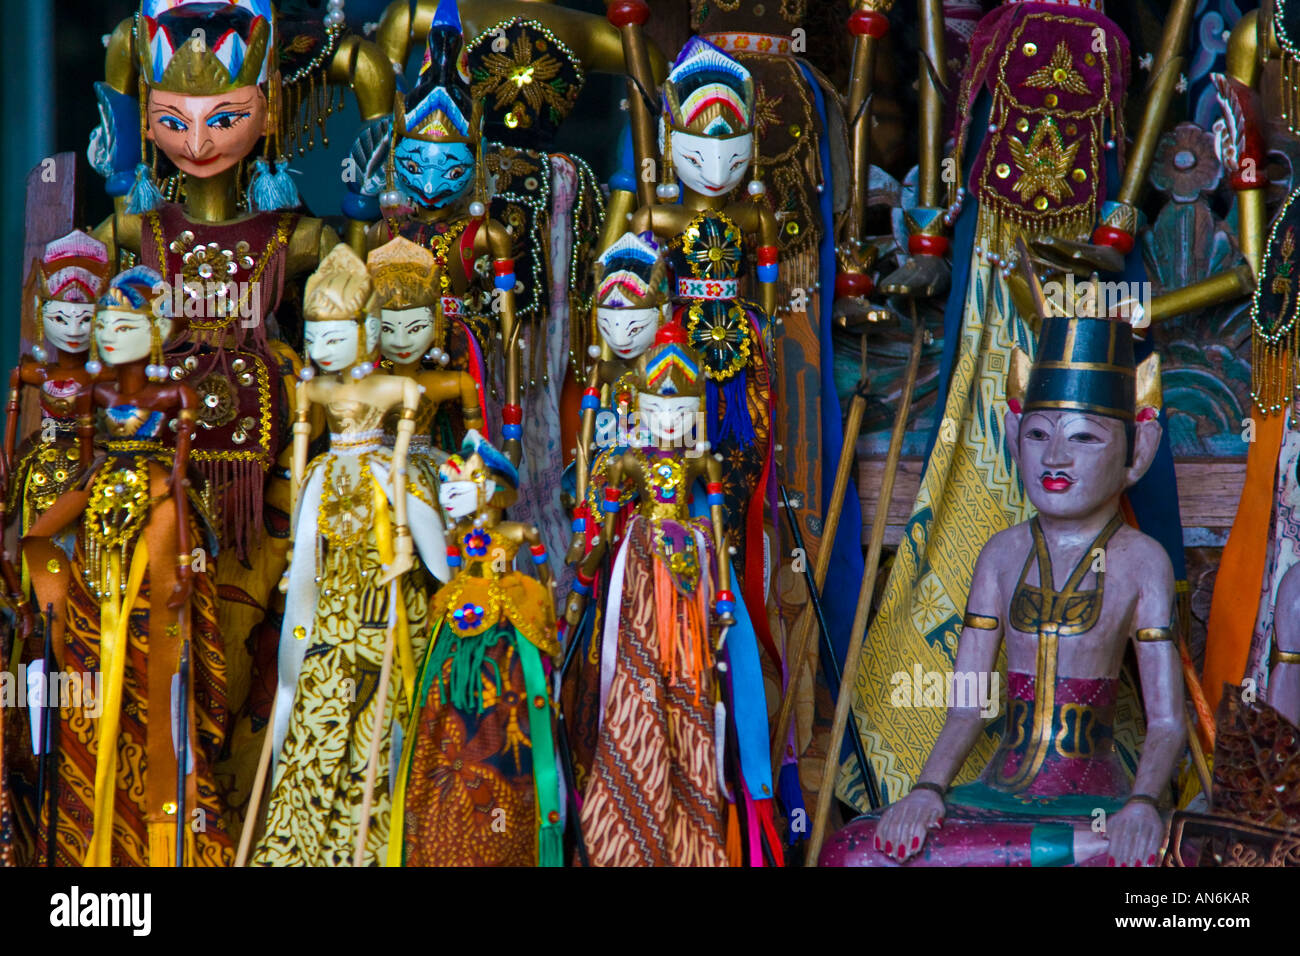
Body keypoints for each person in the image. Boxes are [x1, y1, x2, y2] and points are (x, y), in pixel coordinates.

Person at [821, 314, 1184, 867]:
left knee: (1144, 856)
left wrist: (1141, 803)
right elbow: (966, 709)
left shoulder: (1142, 561)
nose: (1055, 457)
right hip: (996, 800)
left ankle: (1073, 846)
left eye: (1084, 436)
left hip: (1095, 804)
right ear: (1014, 436)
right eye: (1038, 434)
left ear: (1139, 452)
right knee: (853, 853)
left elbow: (1165, 722)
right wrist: (926, 791)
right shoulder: (1001, 553)